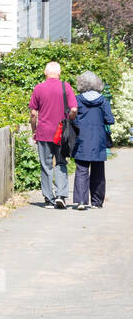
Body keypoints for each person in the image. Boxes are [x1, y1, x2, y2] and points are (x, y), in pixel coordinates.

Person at [29, 61, 77, 208]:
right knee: (61, 162)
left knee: (46, 166)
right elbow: (74, 109)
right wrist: (70, 119)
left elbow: (33, 113)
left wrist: (34, 131)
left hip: (43, 133)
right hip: (61, 134)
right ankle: (61, 195)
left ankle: (49, 199)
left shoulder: (38, 88)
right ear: (59, 72)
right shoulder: (66, 86)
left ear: (45, 72)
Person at [72, 71, 114, 210]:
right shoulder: (103, 100)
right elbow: (109, 120)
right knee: (98, 171)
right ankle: (96, 202)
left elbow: (72, 119)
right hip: (98, 139)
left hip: (82, 139)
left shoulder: (77, 100)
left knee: (81, 170)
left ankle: (81, 201)